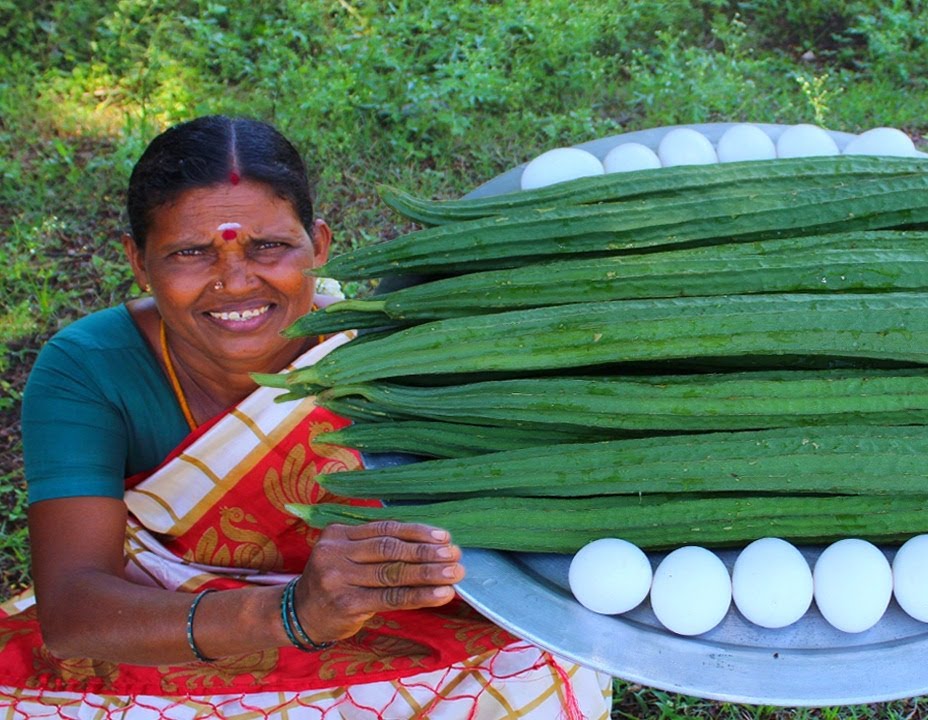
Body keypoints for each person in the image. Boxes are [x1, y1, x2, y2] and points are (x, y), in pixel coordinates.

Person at [1, 115, 612, 718]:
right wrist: (293, 614)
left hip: (399, 623)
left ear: (318, 245)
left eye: (269, 246)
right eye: (190, 252)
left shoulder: (386, 350)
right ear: (138, 262)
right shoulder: (90, 369)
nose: (235, 282)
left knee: (547, 662)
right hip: (181, 627)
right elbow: (75, 610)